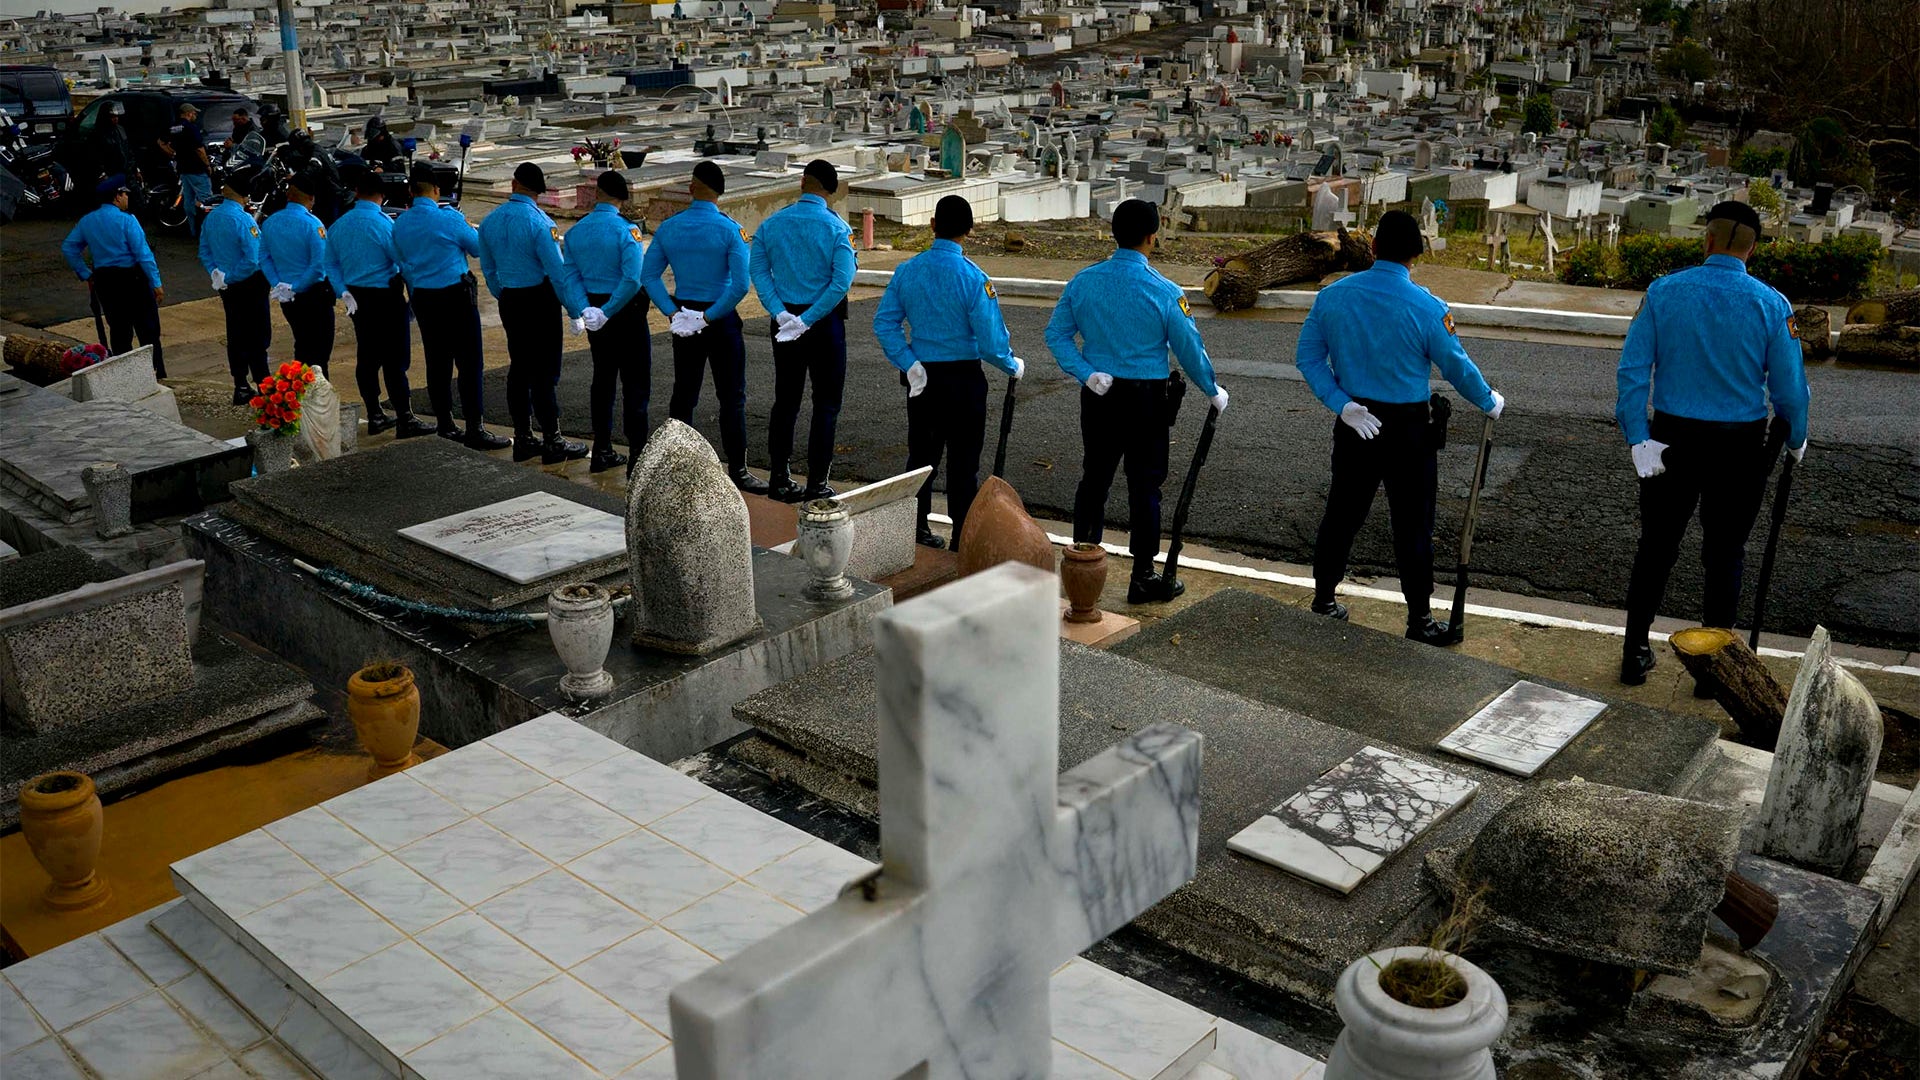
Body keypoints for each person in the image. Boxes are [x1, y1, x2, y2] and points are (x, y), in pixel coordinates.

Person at [1615, 200, 1809, 685]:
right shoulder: (1772, 304)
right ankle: (1715, 672)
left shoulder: (1663, 293)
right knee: (1725, 554)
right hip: (1739, 448)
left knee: (1656, 547)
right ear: (1753, 249)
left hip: (1671, 438)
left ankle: (1635, 651)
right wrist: (1796, 438)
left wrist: (1638, 437)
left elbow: (1633, 373)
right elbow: (1789, 389)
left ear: (1707, 240)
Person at [1294, 209, 1506, 645]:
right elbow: (1457, 368)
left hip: (1356, 421)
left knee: (1341, 515)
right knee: (1412, 524)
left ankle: (1324, 600)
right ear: (1417, 254)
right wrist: (1489, 400)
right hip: (1409, 430)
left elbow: (1308, 358)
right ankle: (1420, 620)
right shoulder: (1428, 308)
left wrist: (1341, 404)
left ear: (1372, 248)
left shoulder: (1332, 297)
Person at [1046, 198, 1228, 604]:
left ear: (1114, 233)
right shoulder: (1165, 291)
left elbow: (1056, 335)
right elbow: (1189, 350)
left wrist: (1084, 372)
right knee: (1145, 487)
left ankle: (1082, 564)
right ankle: (1143, 575)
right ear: (1152, 236)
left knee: (1094, 479)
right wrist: (1212, 389)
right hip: (1146, 400)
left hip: (1100, 392)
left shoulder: (1083, 282)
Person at [873, 194, 1023, 550]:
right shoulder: (974, 278)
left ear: (932, 225)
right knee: (963, 463)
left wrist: (908, 363)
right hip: (963, 380)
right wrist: (1011, 365)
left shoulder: (907, 270)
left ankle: (917, 528)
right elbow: (990, 343)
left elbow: (885, 324)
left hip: (922, 377)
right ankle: (962, 537)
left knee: (921, 459)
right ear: (969, 231)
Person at [641, 161, 765, 494]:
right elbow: (740, 285)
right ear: (720, 192)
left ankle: (679, 466)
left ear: (693, 188)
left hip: (684, 318)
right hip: (720, 320)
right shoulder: (730, 230)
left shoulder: (670, 227)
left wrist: (672, 312)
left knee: (684, 394)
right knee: (731, 397)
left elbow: (648, 275)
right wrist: (709, 317)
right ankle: (737, 470)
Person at [747, 159, 857, 502]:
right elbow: (841, 280)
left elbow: (759, 271)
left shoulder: (772, 224)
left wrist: (781, 313)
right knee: (826, 405)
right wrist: (809, 318)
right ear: (832, 189)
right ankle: (816, 484)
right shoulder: (837, 228)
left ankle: (779, 479)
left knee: (786, 401)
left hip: (785, 324)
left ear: (803, 182)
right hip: (824, 324)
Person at [477, 162, 592, 463]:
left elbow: (488, 270)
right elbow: (557, 273)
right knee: (544, 371)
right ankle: (553, 439)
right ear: (539, 193)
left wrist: (504, 294)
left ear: (514, 184)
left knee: (519, 367)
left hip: (511, 297)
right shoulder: (540, 223)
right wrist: (573, 310)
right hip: (539, 300)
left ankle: (524, 436)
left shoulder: (490, 221)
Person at [393, 162, 507, 448]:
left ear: (410, 192)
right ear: (436, 190)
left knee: (437, 362)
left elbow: (400, 258)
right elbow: (479, 249)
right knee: (469, 363)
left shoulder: (400, 223)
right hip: (455, 296)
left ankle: (445, 424)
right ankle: (474, 427)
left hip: (424, 298)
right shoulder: (449, 218)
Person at [563, 170, 650, 473]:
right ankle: (638, 453)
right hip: (624, 311)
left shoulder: (576, 231)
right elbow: (631, 279)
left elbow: (570, 275)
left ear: (597, 193)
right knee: (635, 383)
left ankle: (601, 448)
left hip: (595, 311)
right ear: (622, 199)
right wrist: (608, 310)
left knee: (603, 380)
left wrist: (583, 309)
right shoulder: (627, 231)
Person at [61, 174, 165, 377]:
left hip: (106, 281)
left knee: (119, 331)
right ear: (117, 196)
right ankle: (156, 374)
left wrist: (85, 273)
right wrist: (156, 283)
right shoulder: (127, 220)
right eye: (125, 194)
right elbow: (143, 254)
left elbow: (69, 247)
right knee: (148, 331)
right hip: (133, 279)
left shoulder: (87, 221)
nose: (127, 198)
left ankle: (124, 377)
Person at [199, 164, 272, 403]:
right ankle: (264, 384)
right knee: (258, 334)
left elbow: (204, 251)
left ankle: (240, 384)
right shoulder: (243, 220)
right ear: (244, 195)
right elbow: (253, 259)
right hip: (249, 284)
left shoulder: (212, 218)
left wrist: (217, 275)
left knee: (236, 332)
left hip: (227, 287)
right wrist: (229, 277)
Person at [261, 173, 336, 378]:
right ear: (311, 198)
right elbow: (319, 265)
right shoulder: (312, 224)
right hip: (313, 294)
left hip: (287, 296)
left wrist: (279, 284)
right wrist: (297, 286)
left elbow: (264, 257)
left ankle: (299, 392)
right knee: (320, 352)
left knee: (302, 344)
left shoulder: (270, 223)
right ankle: (319, 399)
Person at [162, 101, 212, 237]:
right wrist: (207, 165)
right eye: (194, 113)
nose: (195, 115)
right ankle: (209, 232)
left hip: (183, 169)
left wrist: (172, 153)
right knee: (207, 200)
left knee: (188, 200)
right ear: (188, 113)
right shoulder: (191, 128)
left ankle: (193, 230)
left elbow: (160, 142)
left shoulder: (173, 127)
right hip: (197, 168)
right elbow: (199, 149)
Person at [91, 102, 139, 187]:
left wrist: (136, 170)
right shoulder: (97, 134)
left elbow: (128, 151)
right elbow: (94, 158)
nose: (116, 119)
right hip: (112, 177)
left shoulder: (120, 129)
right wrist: (103, 175)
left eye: (116, 116)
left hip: (128, 175)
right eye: (112, 116)